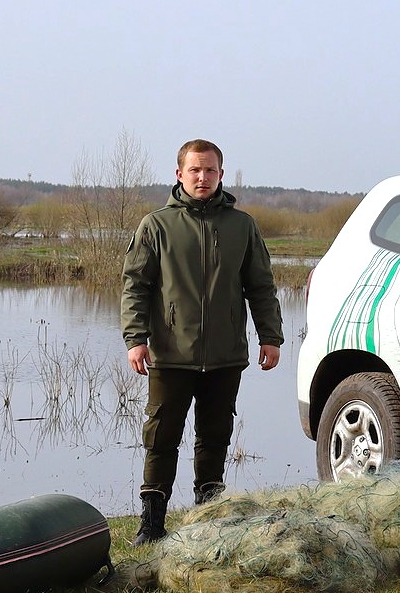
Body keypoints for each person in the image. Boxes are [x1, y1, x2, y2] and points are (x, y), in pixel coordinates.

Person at [121, 139, 285, 546]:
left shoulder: (242, 226)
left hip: (226, 355)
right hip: (171, 354)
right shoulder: (156, 225)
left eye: (210, 170)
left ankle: (208, 518)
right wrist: (135, 338)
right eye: (194, 170)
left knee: (215, 437)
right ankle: (152, 525)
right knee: (161, 437)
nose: (202, 177)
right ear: (179, 174)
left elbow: (261, 286)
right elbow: (135, 286)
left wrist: (271, 337)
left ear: (221, 175)